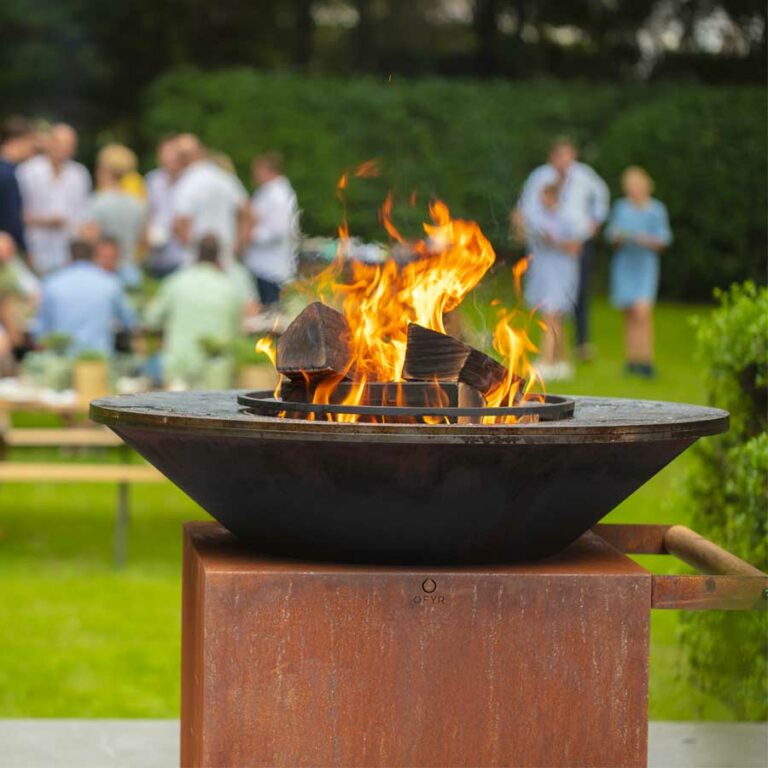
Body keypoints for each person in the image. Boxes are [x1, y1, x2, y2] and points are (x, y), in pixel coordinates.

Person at [517, 137, 609, 361]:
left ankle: (557, 355)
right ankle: (560, 360)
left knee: (561, 304)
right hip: (543, 254)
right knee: (549, 308)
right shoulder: (540, 177)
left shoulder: (584, 176)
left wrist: (593, 225)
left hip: (572, 250)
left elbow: (601, 197)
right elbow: (526, 211)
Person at [145, 234, 246, 388]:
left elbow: (150, 319)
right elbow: (238, 332)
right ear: (219, 257)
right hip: (216, 373)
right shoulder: (230, 288)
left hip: (179, 366)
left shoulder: (176, 282)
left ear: (196, 254)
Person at [606, 166, 672, 378]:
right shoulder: (621, 207)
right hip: (624, 263)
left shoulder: (656, 209)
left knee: (642, 312)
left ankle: (646, 360)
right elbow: (611, 234)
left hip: (645, 265)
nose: (632, 189)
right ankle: (632, 359)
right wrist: (618, 237)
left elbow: (664, 239)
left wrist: (647, 239)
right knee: (629, 313)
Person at [523, 182, 590, 381]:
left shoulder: (570, 219)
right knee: (555, 319)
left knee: (551, 315)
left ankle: (545, 362)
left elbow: (576, 247)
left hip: (562, 273)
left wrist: (555, 241)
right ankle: (561, 363)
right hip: (541, 273)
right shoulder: (536, 218)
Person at [34, 238, 136, 356]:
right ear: (93, 257)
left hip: (62, 360)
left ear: (69, 257)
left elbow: (41, 332)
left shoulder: (51, 283)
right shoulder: (110, 283)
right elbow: (130, 322)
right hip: (99, 361)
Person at [18, 123, 92, 276]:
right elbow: (18, 214)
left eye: (69, 145)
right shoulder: (27, 171)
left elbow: (85, 215)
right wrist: (45, 221)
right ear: (49, 143)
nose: (64, 149)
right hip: (35, 250)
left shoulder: (80, 174)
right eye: (60, 143)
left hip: (68, 254)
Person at [171, 134, 248, 269]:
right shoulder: (226, 177)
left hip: (197, 262)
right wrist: (237, 246)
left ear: (182, 158)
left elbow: (180, 224)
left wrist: (194, 250)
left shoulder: (186, 183)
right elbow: (247, 213)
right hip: (226, 261)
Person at [82, 144, 147, 287]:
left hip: (103, 271)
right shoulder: (138, 204)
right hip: (130, 270)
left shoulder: (97, 202)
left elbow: (89, 238)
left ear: (103, 170)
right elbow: (144, 240)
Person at [244, 152, 299, 308]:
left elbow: (278, 230)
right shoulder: (267, 192)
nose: (254, 174)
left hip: (271, 267)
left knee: (271, 315)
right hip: (262, 265)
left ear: (267, 169)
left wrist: (251, 236)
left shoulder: (278, 194)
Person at [145, 136, 185, 278]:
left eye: (172, 155)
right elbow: (148, 212)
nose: (169, 159)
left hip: (181, 255)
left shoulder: (189, 181)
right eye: (165, 154)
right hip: (156, 253)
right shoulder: (153, 180)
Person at [0, 117, 35, 253]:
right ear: (16, 141)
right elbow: (12, 220)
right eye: (29, 143)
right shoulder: (8, 174)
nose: (30, 150)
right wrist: (24, 249)